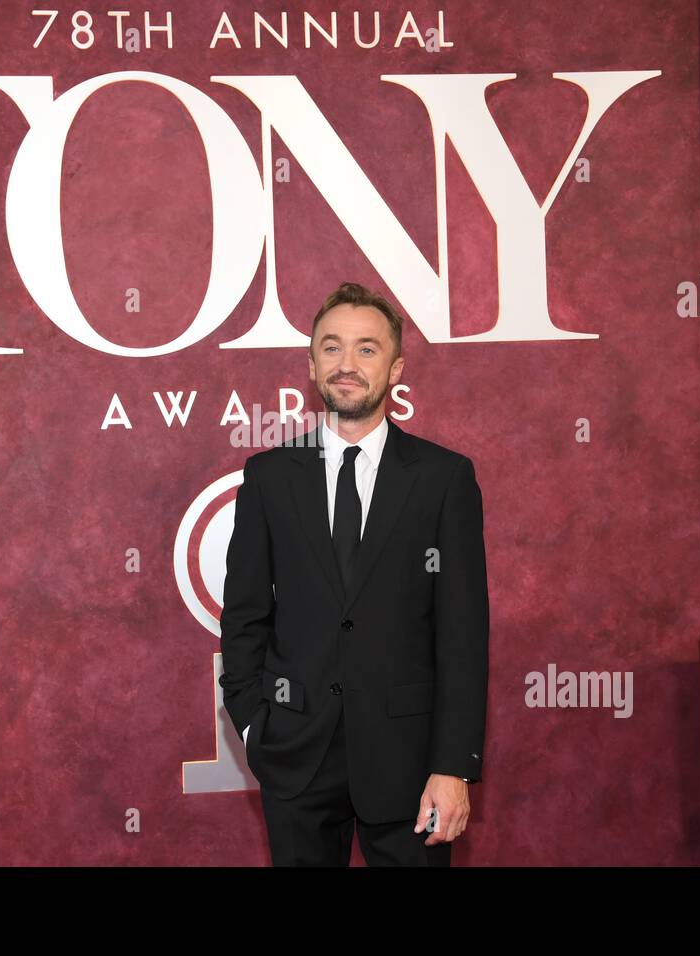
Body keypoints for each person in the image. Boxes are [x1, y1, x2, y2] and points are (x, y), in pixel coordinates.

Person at [219, 281, 490, 866]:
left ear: (395, 368)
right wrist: (252, 728)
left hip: (411, 764)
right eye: (332, 347)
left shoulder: (444, 479)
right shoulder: (269, 478)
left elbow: (463, 638)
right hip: (294, 758)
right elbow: (244, 617)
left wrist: (452, 766)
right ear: (312, 365)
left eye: (366, 349)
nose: (347, 363)